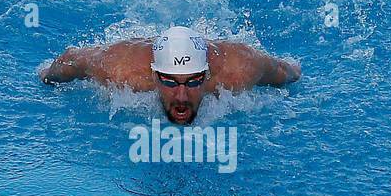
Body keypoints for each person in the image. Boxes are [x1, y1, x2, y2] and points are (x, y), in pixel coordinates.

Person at [40, 26, 301, 125]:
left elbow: (285, 72)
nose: (181, 96)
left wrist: (295, 72)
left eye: (193, 81)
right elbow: (70, 60)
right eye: (169, 82)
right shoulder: (123, 71)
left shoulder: (239, 69)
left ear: (207, 74)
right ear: (154, 76)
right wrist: (46, 78)